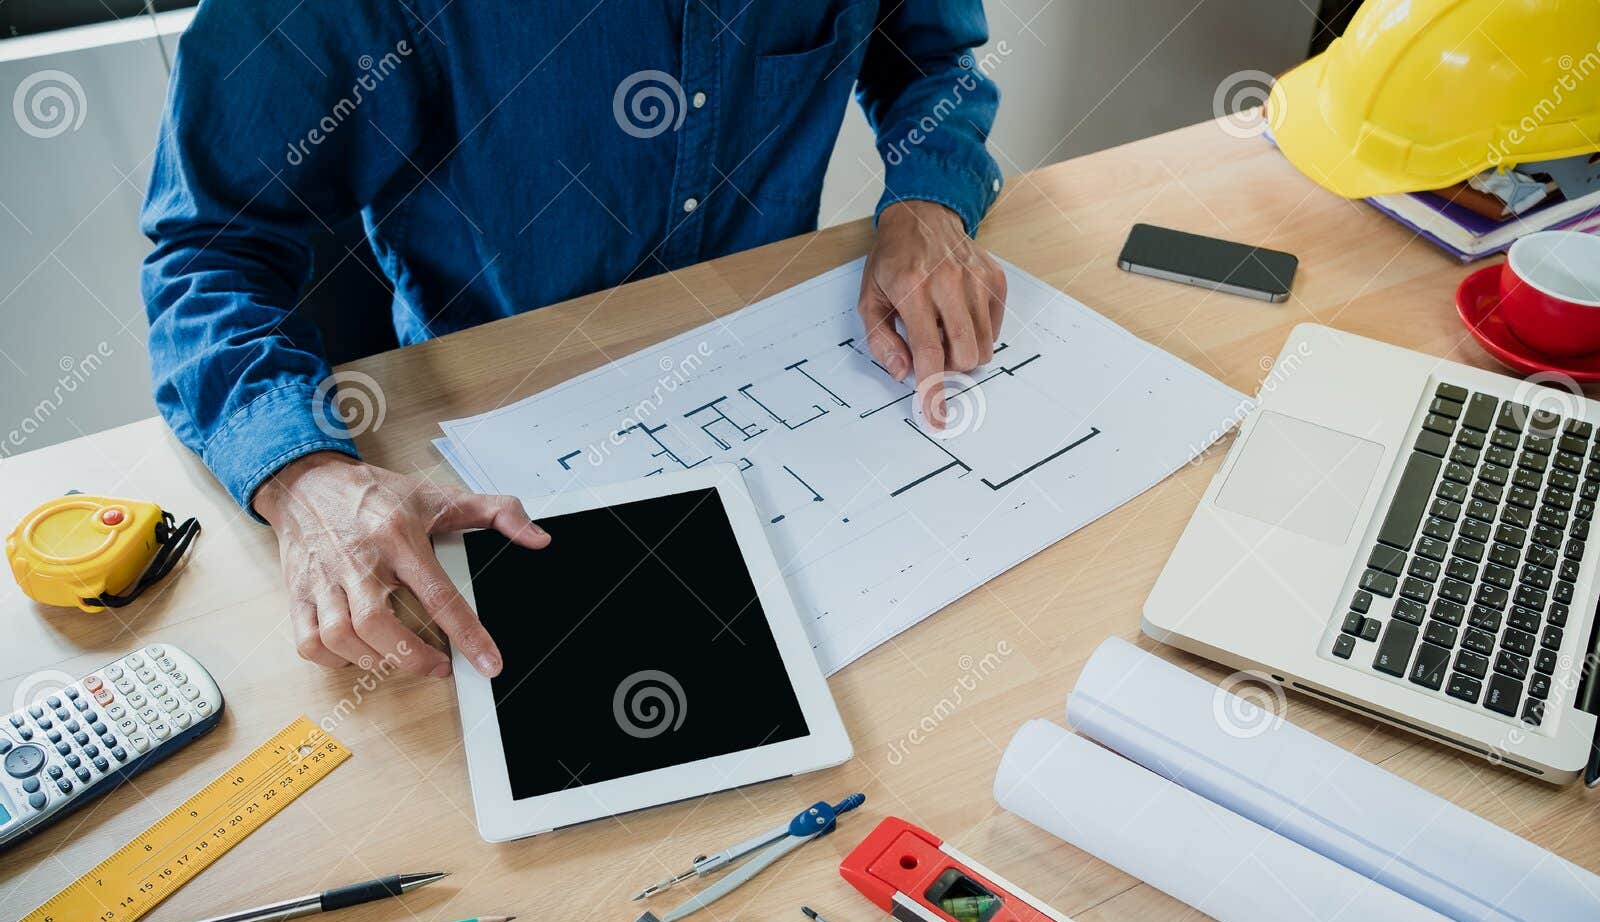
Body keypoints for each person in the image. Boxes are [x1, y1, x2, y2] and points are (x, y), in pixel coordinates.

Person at [142, 0, 1006, 679]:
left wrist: (929, 198)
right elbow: (208, 249)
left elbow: (930, 59)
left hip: (788, 387)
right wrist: (300, 477)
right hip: (492, 441)